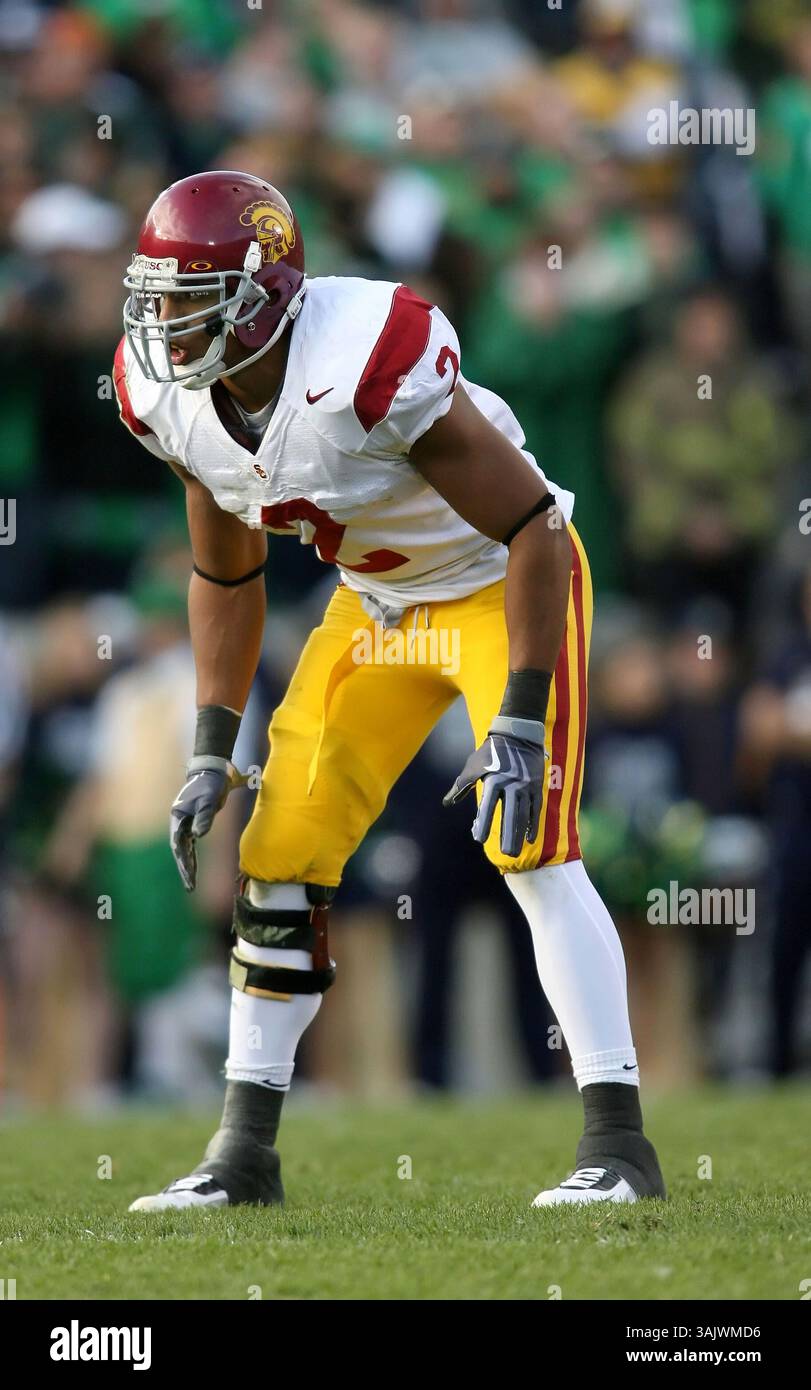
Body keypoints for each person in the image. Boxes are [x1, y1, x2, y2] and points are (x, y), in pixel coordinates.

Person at [115, 169, 665, 1209]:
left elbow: (534, 522)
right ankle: (243, 1154)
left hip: (503, 581)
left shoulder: (366, 353)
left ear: (263, 293)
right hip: (374, 604)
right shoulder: (172, 400)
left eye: (189, 299)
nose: (165, 328)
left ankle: (618, 1145)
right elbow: (228, 572)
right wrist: (208, 741)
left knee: (531, 842)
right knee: (279, 850)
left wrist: (517, 712)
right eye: (155, 298)